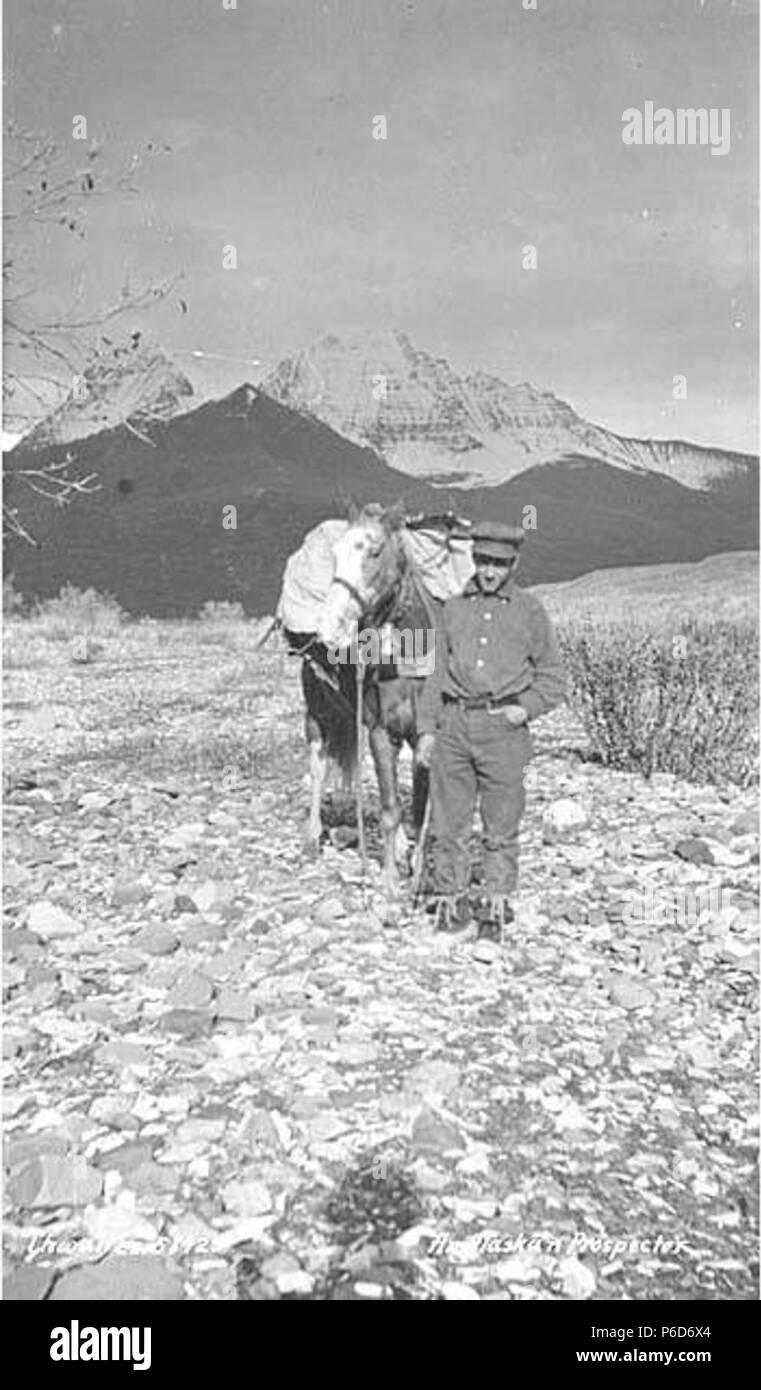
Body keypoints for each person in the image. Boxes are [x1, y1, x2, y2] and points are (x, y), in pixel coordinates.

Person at [416, 521, 566, 945]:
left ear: (513, 564)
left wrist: (525, 710)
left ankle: (495, 905)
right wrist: (427, 730)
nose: (489, 571)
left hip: (504, 729)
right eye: (483, 560)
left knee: (501, 824)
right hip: (453, 725)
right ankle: (452, 904)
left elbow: (554, 677)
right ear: (473, 559)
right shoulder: (452, 609)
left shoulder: (530, 611)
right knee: (449, 823)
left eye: (499, 563)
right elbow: (434, 673)